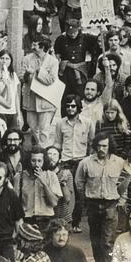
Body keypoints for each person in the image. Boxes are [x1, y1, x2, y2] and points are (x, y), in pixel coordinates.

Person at [75, 132, 131, 262]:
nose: (101, 149)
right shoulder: (85, 163)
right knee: (95, 239)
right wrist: (86, 198)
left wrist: (122, 200)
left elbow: (124, 182)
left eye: (105, 146)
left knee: (107, 241)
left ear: (110, 146)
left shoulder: (119, 162)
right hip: (93, 204)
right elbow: (79, 183)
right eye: (99, 146)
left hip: (111, 205)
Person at [54, 93, 95, 233]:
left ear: (78, 107)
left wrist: (89, 161)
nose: (70, 109)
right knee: (66, 193)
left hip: (81, 161)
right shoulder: (60, 123)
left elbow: (91, 143)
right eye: (68, 106)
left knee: (79, 194)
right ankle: (65, 222)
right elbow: (58, 144)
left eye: (73, 106)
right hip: (65, 162)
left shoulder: (87, 122)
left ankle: (76, 223)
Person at [22, 35, 60, 148]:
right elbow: (22, 78)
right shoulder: (27, 59)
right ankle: (38, 149)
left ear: (42, 46)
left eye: (35, 44)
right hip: (31, 100)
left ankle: (43, 152)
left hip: (46, 101)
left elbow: (51, 80)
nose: (32, 46)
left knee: (44, 130)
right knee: (33, 127)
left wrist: (39, 71)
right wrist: (28, 73)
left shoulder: (53, 61)